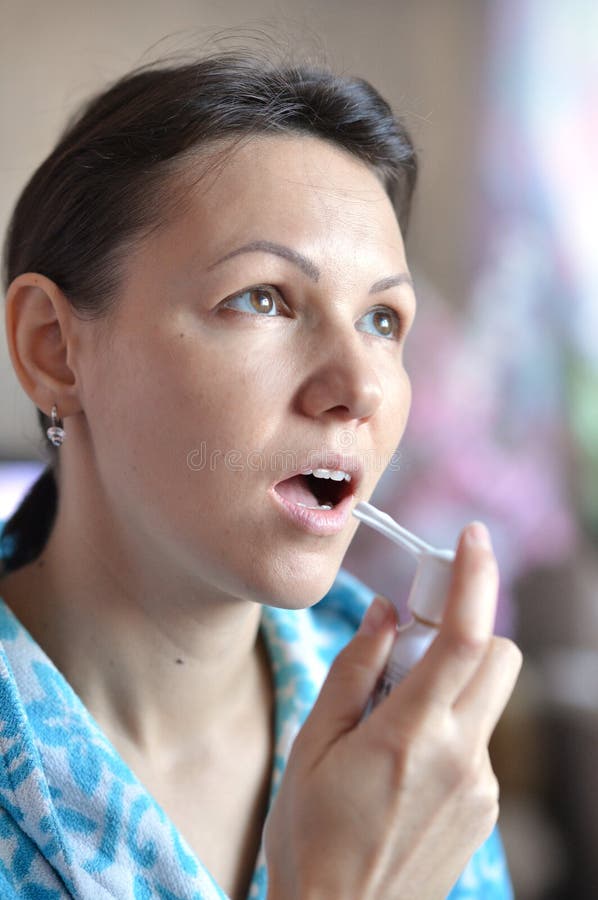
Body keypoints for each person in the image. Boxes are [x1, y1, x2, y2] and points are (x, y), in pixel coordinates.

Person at [0, 49, 522, 900]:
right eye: (263, 299)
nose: (358, 388)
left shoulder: (411, 736)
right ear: (54, 349)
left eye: (382, 319)